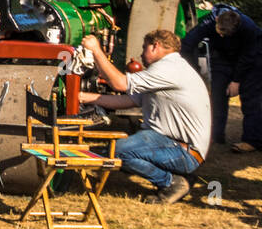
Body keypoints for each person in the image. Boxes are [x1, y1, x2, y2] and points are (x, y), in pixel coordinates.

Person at [79, 29, 211, 204]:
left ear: (155, 46)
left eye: (144, 48)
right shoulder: (172, 67)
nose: (141, 54)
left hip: (183, 151)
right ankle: (177, 176)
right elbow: (129, 100)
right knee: (113, 150)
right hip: (177, 145)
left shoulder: (168, 68)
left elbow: (119, 84)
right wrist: (83, 97)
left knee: (116, 152)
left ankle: (171, 182)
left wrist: (96, 50)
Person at [181, 5, 262, 154]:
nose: (221, 36)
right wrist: (186, 67)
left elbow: (248, 56)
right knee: (217, 96)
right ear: (217, 20)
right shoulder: (209, 22)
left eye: (225, 34)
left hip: (253, 60)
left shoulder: (249, 28)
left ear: (236, 27)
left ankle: (252, 140)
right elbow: (189, 42)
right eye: (219, 32)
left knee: (251, 100)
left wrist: (236, 81)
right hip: (223, 58)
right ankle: (216, 135)